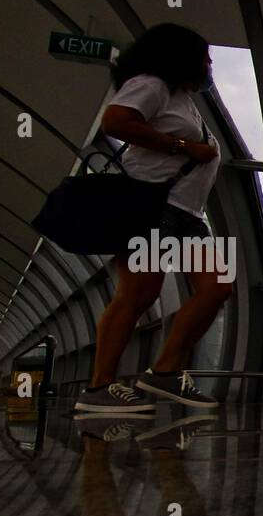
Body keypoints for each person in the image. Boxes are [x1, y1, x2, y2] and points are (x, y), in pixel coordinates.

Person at [74, 23, 231, 414]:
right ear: (183, 58)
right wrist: (184, 146)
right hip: (153, 207)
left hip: (187, 213)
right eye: (205, 59)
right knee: (138, 295)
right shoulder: (152, 85)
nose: (210, 67)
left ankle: (163, 371)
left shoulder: (182, 98)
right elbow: (116, 122)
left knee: (216, 287)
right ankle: (99, 387)